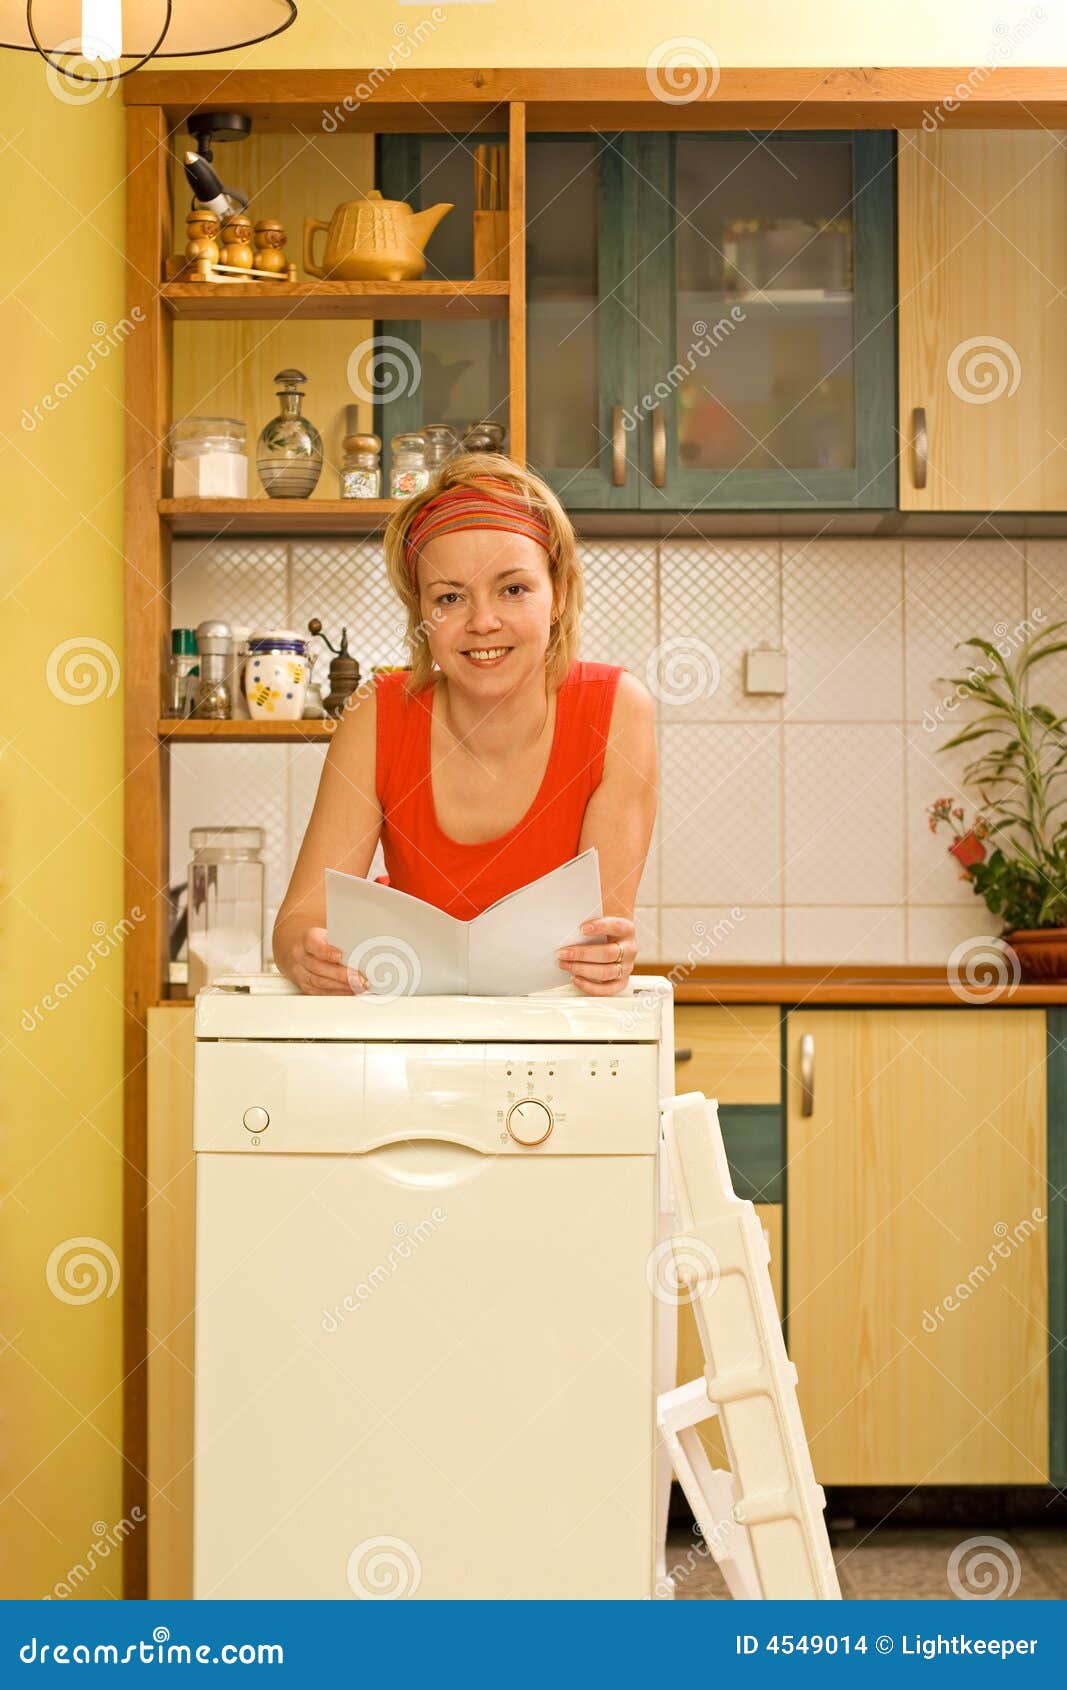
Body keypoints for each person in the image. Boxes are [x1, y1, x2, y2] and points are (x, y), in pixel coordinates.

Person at [273, 453, 658, 997]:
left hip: (555, 1026)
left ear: (558, 595)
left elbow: (602, 935)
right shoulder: (376, 715)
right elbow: (298, 921)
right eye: (450, 598)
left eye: (513, 589)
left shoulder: (616, 710)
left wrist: (609, 958)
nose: (483, 622)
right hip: (409, 1020)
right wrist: (305, 955)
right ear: (422, 615)